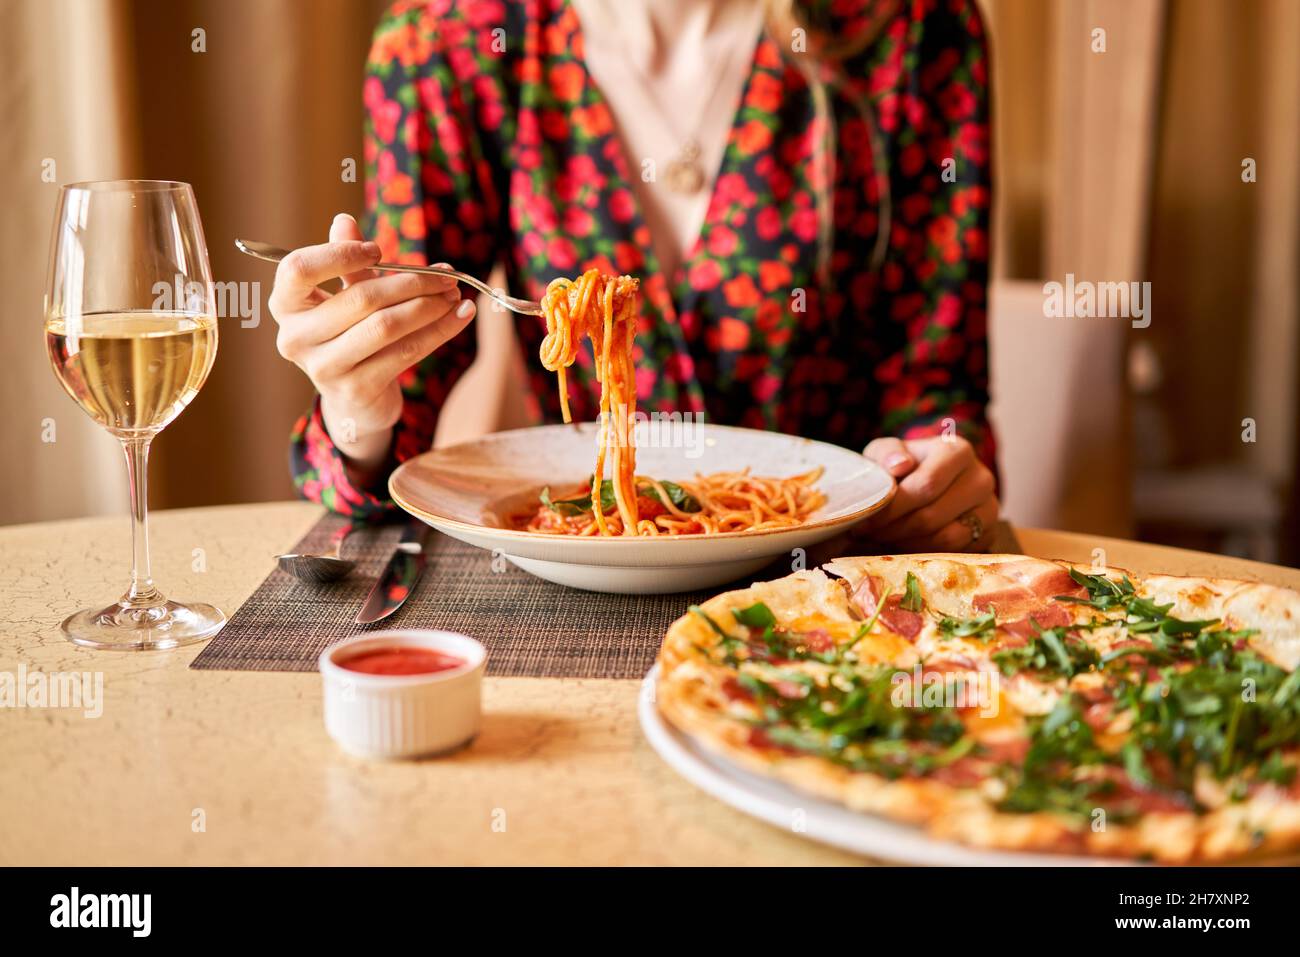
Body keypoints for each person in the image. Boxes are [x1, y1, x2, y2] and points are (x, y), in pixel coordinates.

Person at [269, 0, 999, 552]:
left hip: (829, 580)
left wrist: (931, 468)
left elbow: (935, 386)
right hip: (576, 576)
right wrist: (358, 404)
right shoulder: (452, 37)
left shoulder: (913, 29)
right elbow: (402, 396)